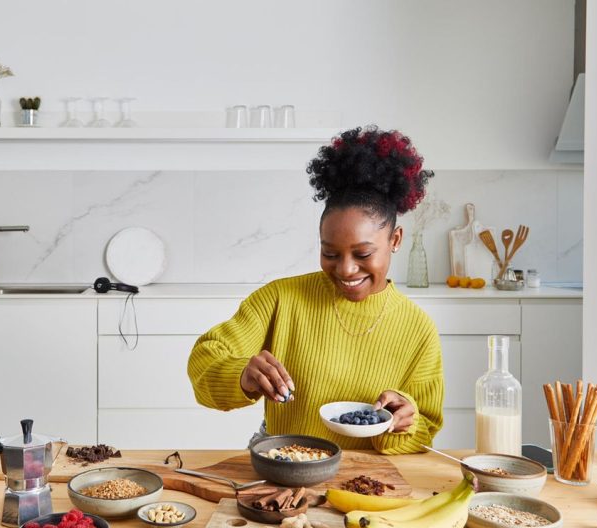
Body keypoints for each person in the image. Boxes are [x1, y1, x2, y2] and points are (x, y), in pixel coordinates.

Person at [187, 126, 443, 454]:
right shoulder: (280, 299)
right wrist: (242, 375)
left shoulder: (417, 329)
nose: (346, 270)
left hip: (365, 474)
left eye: (363, 254)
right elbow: (204, 361)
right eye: (330, 254)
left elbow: (425, 432)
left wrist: (405, 420)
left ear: (395, 241)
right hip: (282, 462)